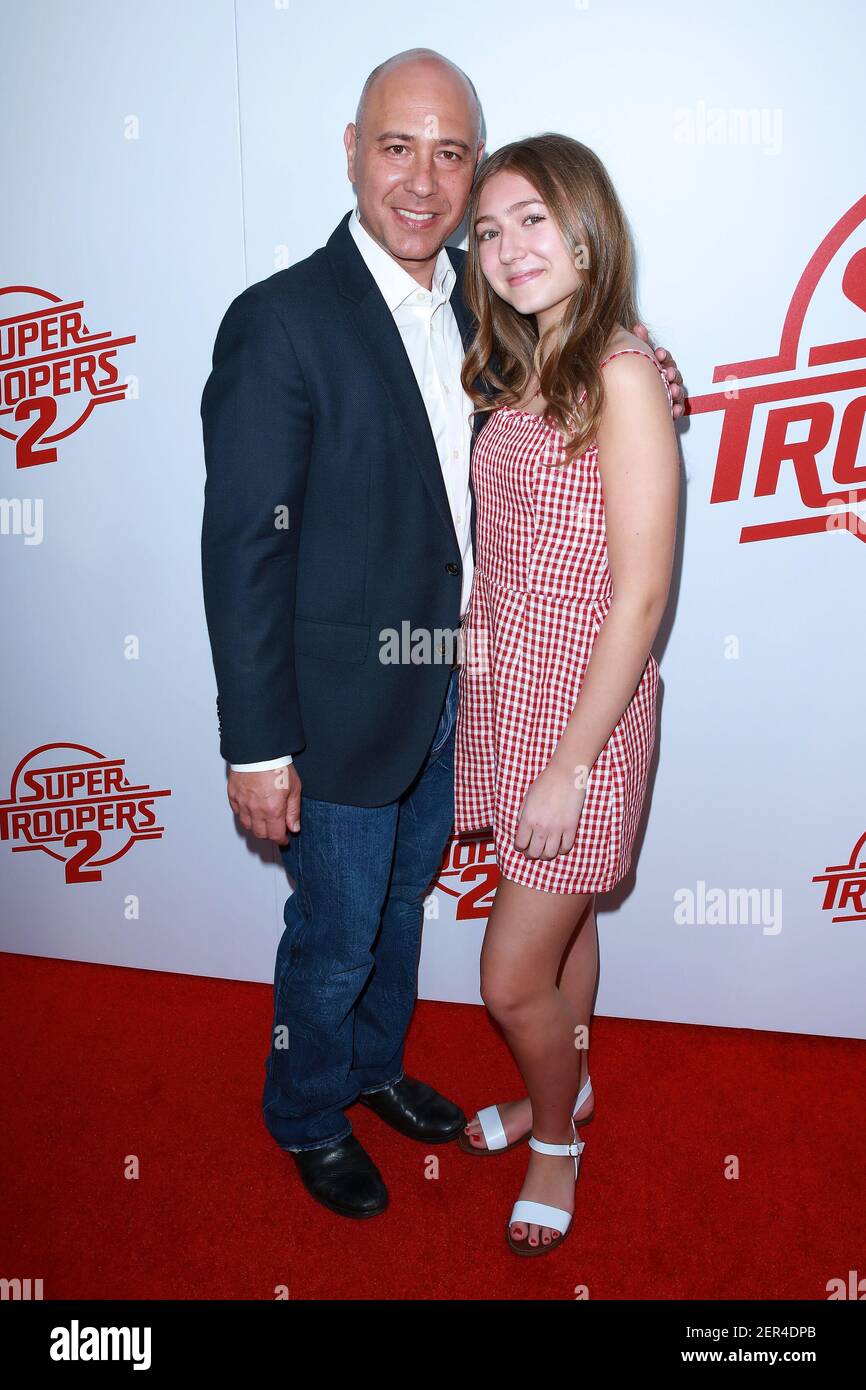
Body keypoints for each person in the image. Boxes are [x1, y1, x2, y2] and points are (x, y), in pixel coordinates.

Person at [200, 50, 686, 1223]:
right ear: (353, 151)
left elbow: (595, 441)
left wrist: (640, 368)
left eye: (451, 153)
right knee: (332, 931)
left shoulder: (490, 307)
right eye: (396, 145)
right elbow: (244, 545)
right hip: (343, 705)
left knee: (409, 907)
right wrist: (257, 742)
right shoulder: (282, 321)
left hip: (471, 695)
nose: (424, 180)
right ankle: (310, 1112)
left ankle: (379, 1069)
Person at [452, 133, 680, 1257]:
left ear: (586, 226)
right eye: (486, 231)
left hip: (578, 717)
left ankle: (555, 1138)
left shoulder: (620, 373)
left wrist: (570, 762)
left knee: (504, 978)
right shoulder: (531, 363)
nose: (505, 247)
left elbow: (638, 598)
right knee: (563, 926)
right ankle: (573, 1087)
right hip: (517, 693)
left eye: (530, 218)